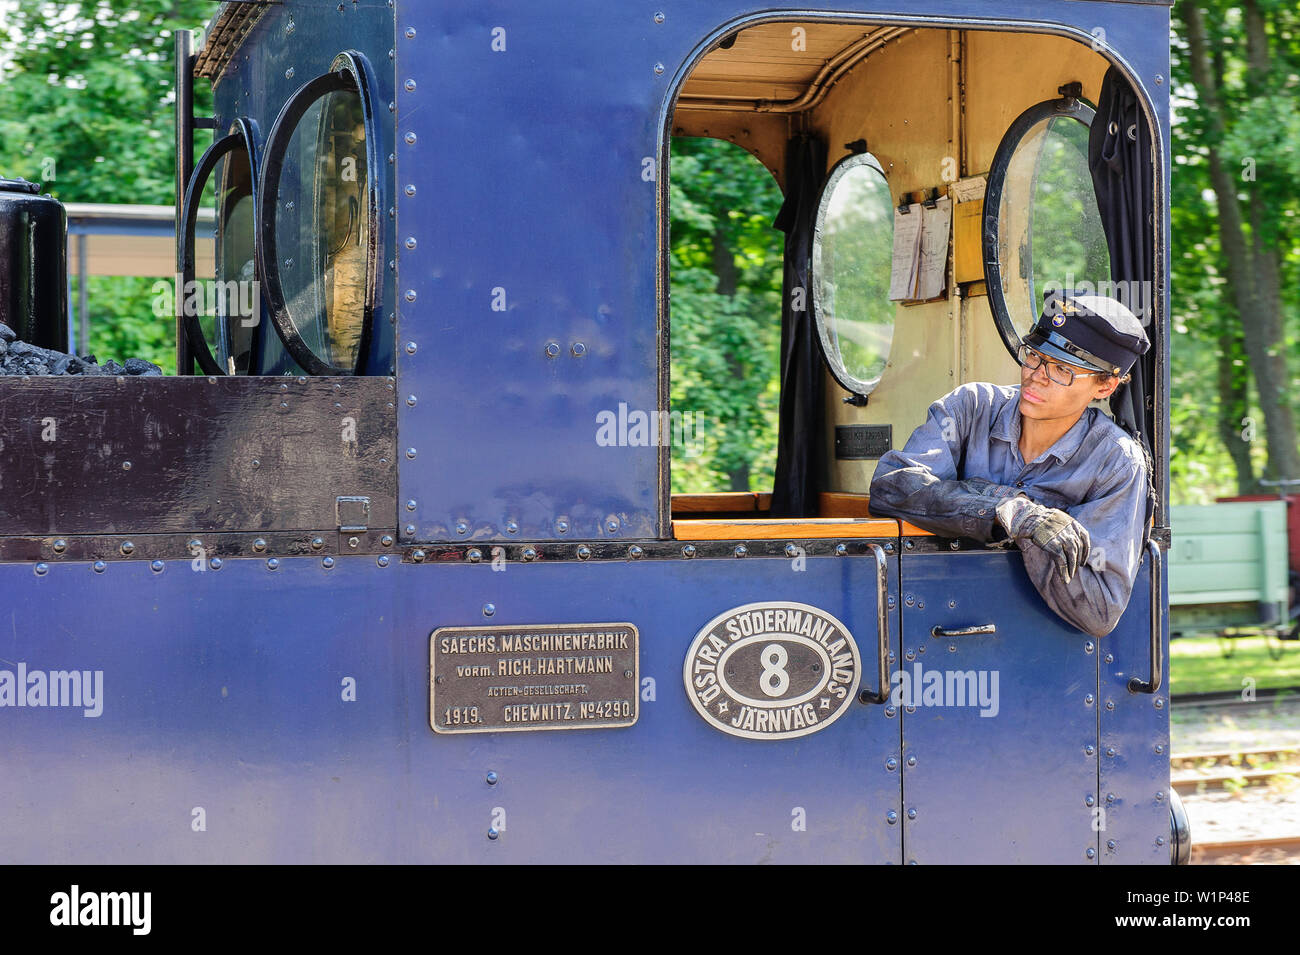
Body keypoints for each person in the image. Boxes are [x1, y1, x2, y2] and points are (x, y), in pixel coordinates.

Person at [868, 290, 1152, 638]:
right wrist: (1009, 511)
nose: (1036, 375)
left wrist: (1033, 533)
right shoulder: (970, 407)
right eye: (1033, 356)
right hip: (926, 625)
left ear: (1105, 386)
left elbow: (1099, 611)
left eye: (1062, 369)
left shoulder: (1116, 463)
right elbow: (892, 487)